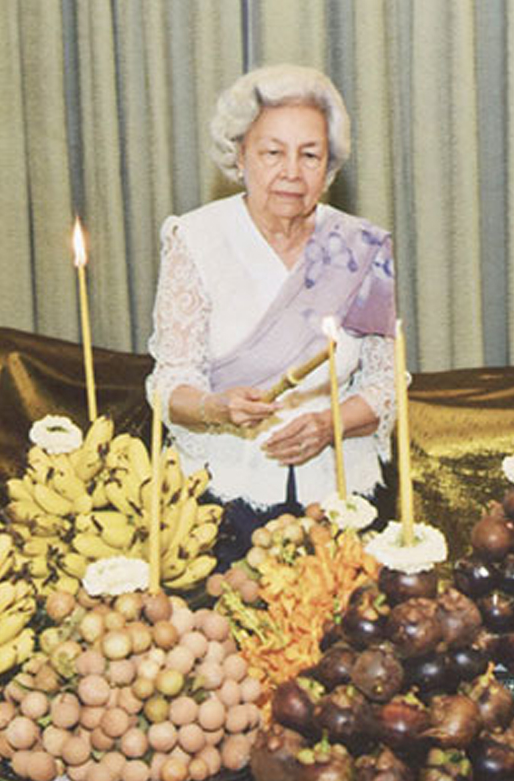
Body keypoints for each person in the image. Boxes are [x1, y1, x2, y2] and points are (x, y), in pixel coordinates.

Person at [146, 64, 396, 566]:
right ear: (240, 156)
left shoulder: (361, 246)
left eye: (309, 155)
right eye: (272, 152)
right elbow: (169, 382)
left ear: (329, 170)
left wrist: (329, 424)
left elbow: (387, 385)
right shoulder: (195, 240)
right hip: (224, 498)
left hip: (340, 495)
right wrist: (216, 407)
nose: (291, 172)